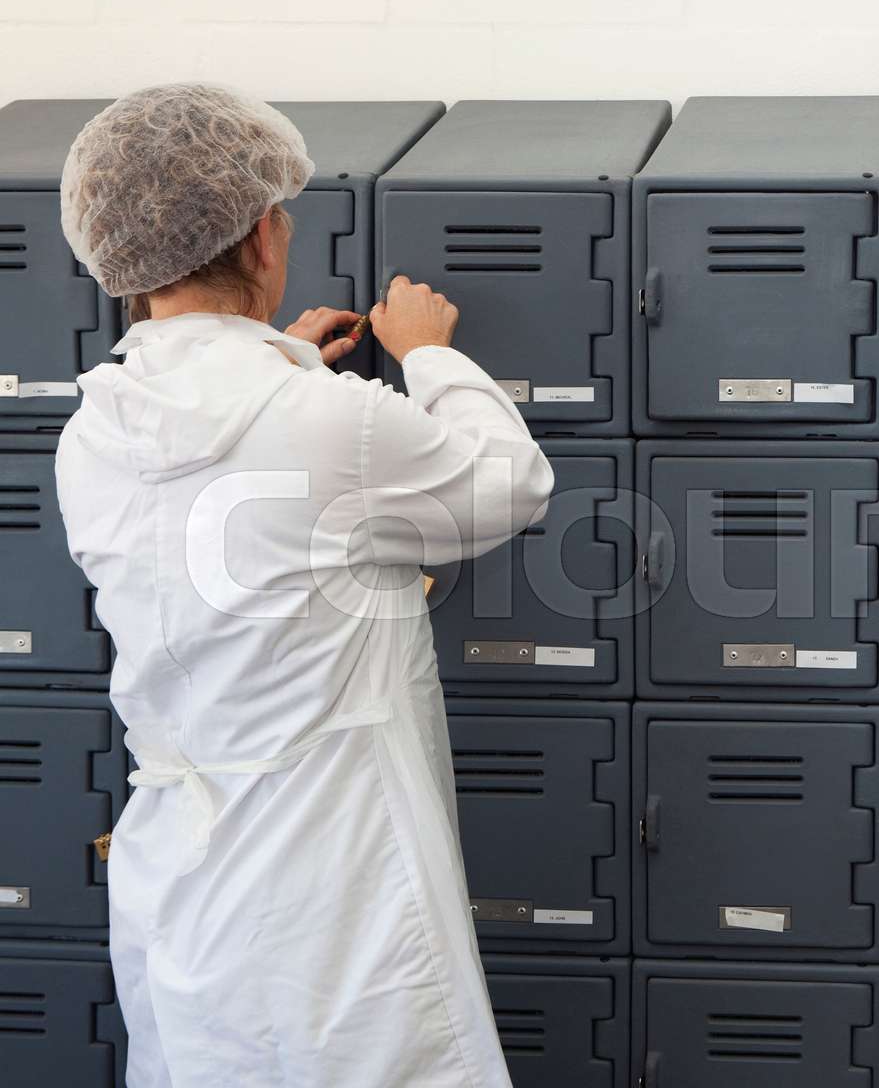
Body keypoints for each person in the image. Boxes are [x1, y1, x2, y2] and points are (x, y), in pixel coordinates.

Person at [54, 83, 552, 1087]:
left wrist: (288, 367)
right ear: (264, 238)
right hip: (332, 871)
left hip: (183, 871)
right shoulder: (330, 422)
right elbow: (509, 484)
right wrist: (431, 356)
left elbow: (243, 490)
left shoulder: (94, 428)